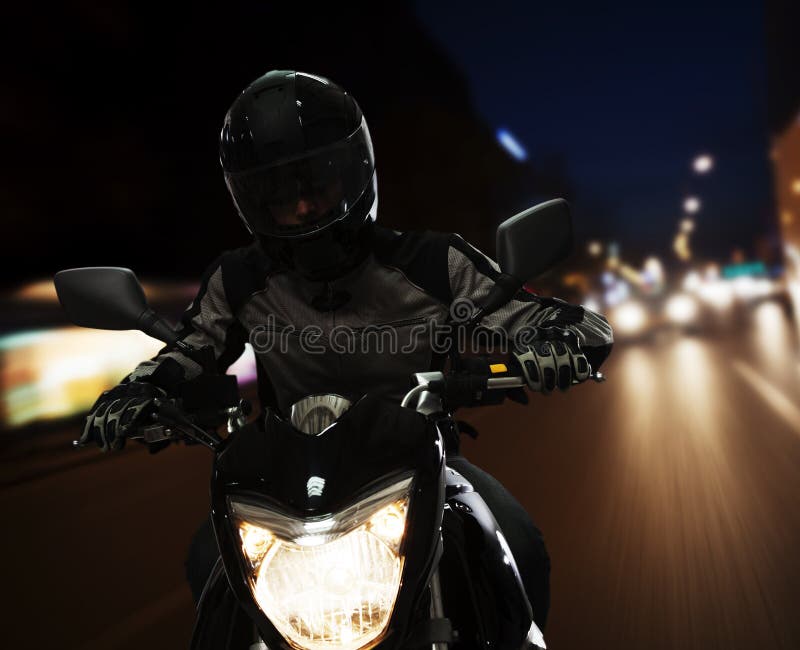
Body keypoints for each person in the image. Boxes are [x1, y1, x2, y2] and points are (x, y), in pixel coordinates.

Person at [80, 70, 613, 629]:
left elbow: (575, 325)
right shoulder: (237, 279)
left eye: (319, 184)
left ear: (356, 174)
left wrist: (557, 344)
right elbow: (190, 349)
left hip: (424, 468)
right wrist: (142, 388)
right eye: (282, 195)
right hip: (287, 487)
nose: (305, 207)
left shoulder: (431, 263)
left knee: (520, 544)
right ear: (253, 202)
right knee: (206, 561)